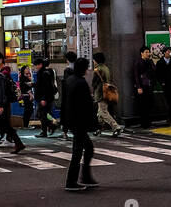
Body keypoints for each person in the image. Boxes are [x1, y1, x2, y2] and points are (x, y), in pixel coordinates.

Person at [62, 57, 97, 192]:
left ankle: (85, 177)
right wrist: (93, 123)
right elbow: (86, 105)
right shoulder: (81, 83)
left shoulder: (69, 80)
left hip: (72, 120)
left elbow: (66, 102)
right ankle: (72, 181)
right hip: (80, 122)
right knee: (79, 151)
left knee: (87, 148)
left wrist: (64, 123)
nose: (88, 70)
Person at [0, 65, 26, 152]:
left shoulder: (0, 75)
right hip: (6, 104)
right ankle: (18, 143)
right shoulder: (4, 74)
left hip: (2, 105)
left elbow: (1, 91)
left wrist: (0, 105)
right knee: (4, 125)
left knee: (0, 125)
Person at [92, 52, 123, 135]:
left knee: (103, 112)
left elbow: (94, 83)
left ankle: (116, 126)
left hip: (100, 92)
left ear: (96, 60)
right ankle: (99, 129)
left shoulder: (97, 70)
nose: (93, 61)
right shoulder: (106, 68)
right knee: (100, 112)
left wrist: (93, 92)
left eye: (93, 60)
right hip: (107, 92)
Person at [33, 58, 58, 136]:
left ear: (40, 64)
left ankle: (48, 128)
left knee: (42, 114)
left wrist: (43, 98)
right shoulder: (44, 72)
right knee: (42, 114)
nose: (35, 67)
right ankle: (51, 126)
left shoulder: (43, 73)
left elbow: (46, 87)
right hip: (45, 97)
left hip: (44, 98)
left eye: (36, 65)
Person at [132, 46, 155, 128]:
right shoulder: (138, 62)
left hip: (149, 85)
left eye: (148, 52)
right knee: (142, 105)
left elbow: (154, 71)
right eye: (146, 52)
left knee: (149, 104)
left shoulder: (149, 61)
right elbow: (136, 75)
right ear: (141, 53)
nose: (148, 54)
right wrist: (138, 87)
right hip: (142, 86)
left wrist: (151, 61)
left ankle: (148, 122)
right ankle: (144, 123)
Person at [18, 65, 34, 129]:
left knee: (29, 110)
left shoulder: (26, 76)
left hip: (27, 95)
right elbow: (26, 87)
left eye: (28, 68)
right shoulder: (23, 77)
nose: (28, 69)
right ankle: (25, 125)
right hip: (26, 95)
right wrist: (30, 94)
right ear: (23, 70)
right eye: (26, 68)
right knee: (28, 110)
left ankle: (26, 124)